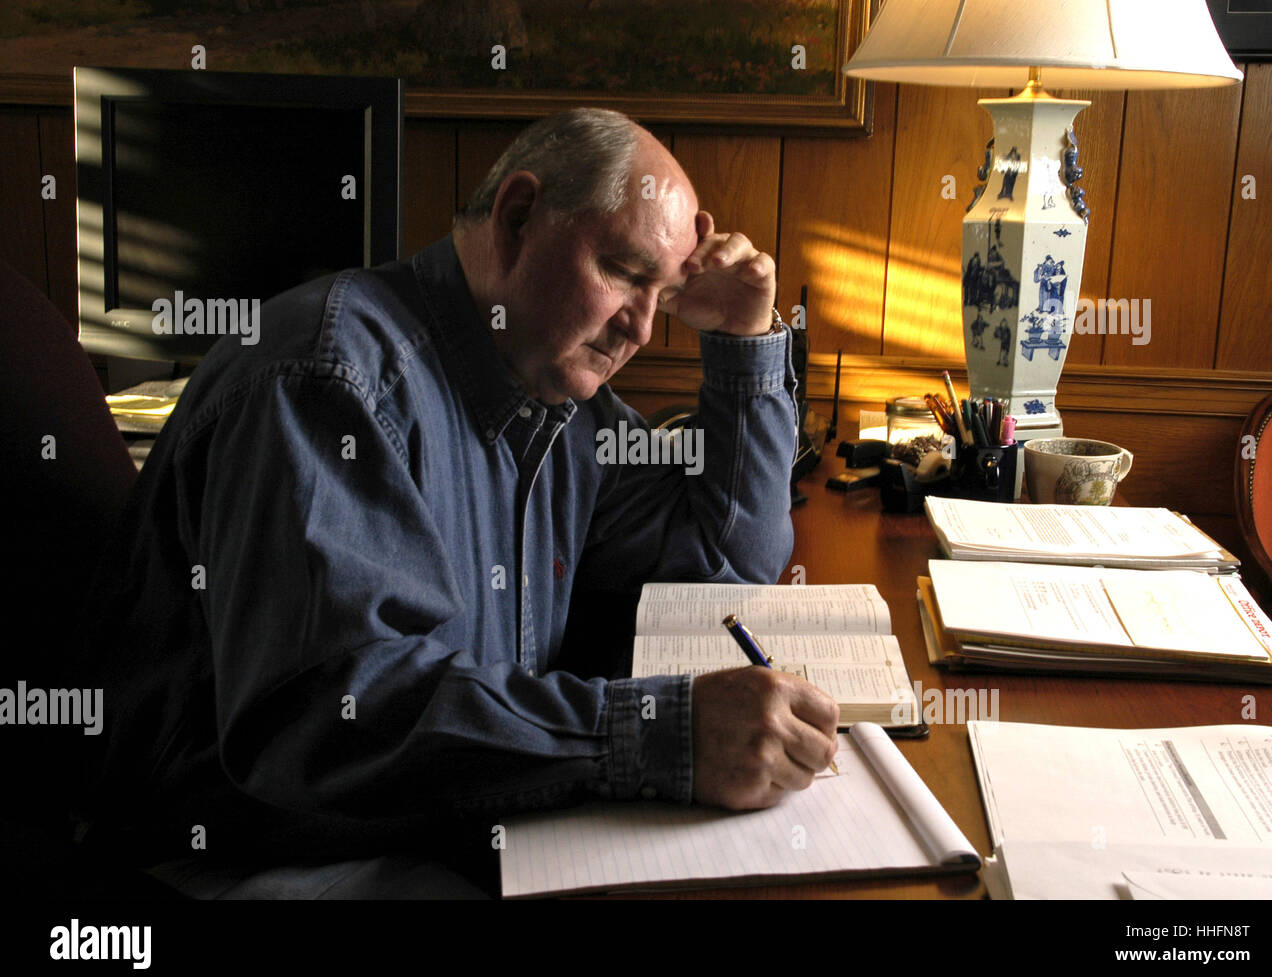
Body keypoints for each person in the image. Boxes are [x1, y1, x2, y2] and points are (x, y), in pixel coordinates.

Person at [69, 109, 839, 895]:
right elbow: (338, 720)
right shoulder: (326, 384)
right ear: (517, 216)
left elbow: (728, 556)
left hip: (432, 816)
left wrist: (745, 340)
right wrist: (655, 736)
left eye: (662, 291)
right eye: (623, 272)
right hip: (243, 855)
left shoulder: (557, 394)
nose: (641, 328)